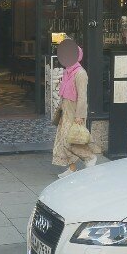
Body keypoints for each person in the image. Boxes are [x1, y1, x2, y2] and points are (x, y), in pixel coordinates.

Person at [53, 40, 99, 177]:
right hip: (65, 111)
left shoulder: (80, 73)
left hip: (75, 112)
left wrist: (80, 115)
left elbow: (83, 97)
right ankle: (72, 168)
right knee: (63, 141)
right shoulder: (67, 72)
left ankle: (90, 157)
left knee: (71, 141)